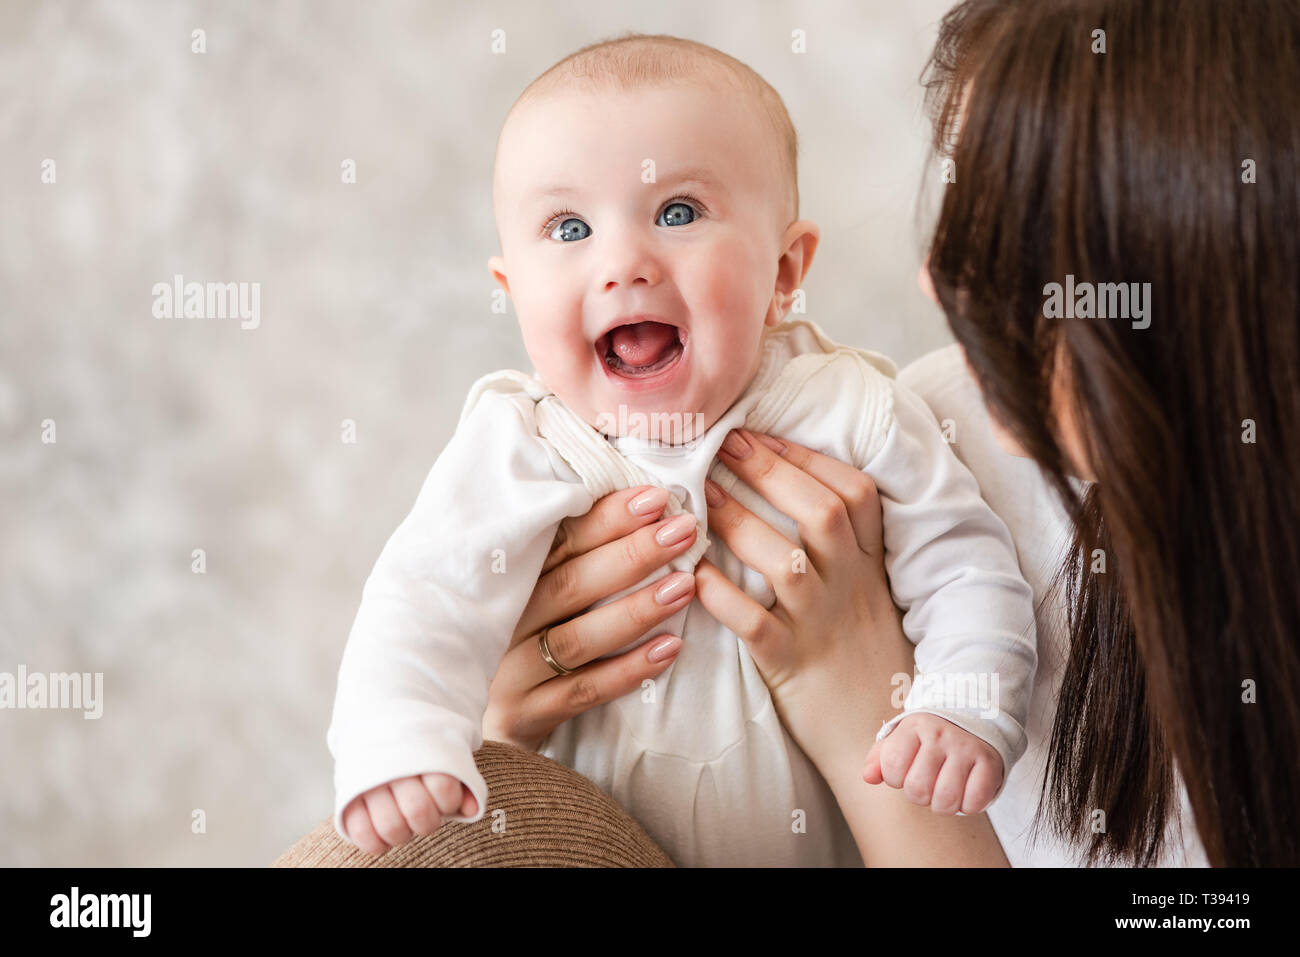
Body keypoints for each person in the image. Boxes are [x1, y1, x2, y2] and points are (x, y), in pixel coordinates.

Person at [479, 0, 1300, 867]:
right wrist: (511, 741)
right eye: (963, 195)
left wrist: (856, 693)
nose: (941, 272)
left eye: (1023, 229)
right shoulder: (947, 421)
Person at [325, 31, 1041, 868]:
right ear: (511, 293)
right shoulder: (523, 445)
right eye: (568, 227)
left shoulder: (852, 411)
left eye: (678, 213)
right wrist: (402, 737)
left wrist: (959, 706)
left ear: (783, 271)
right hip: (599, 848)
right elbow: (423, 598)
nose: (623, 262)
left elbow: (966, 566)